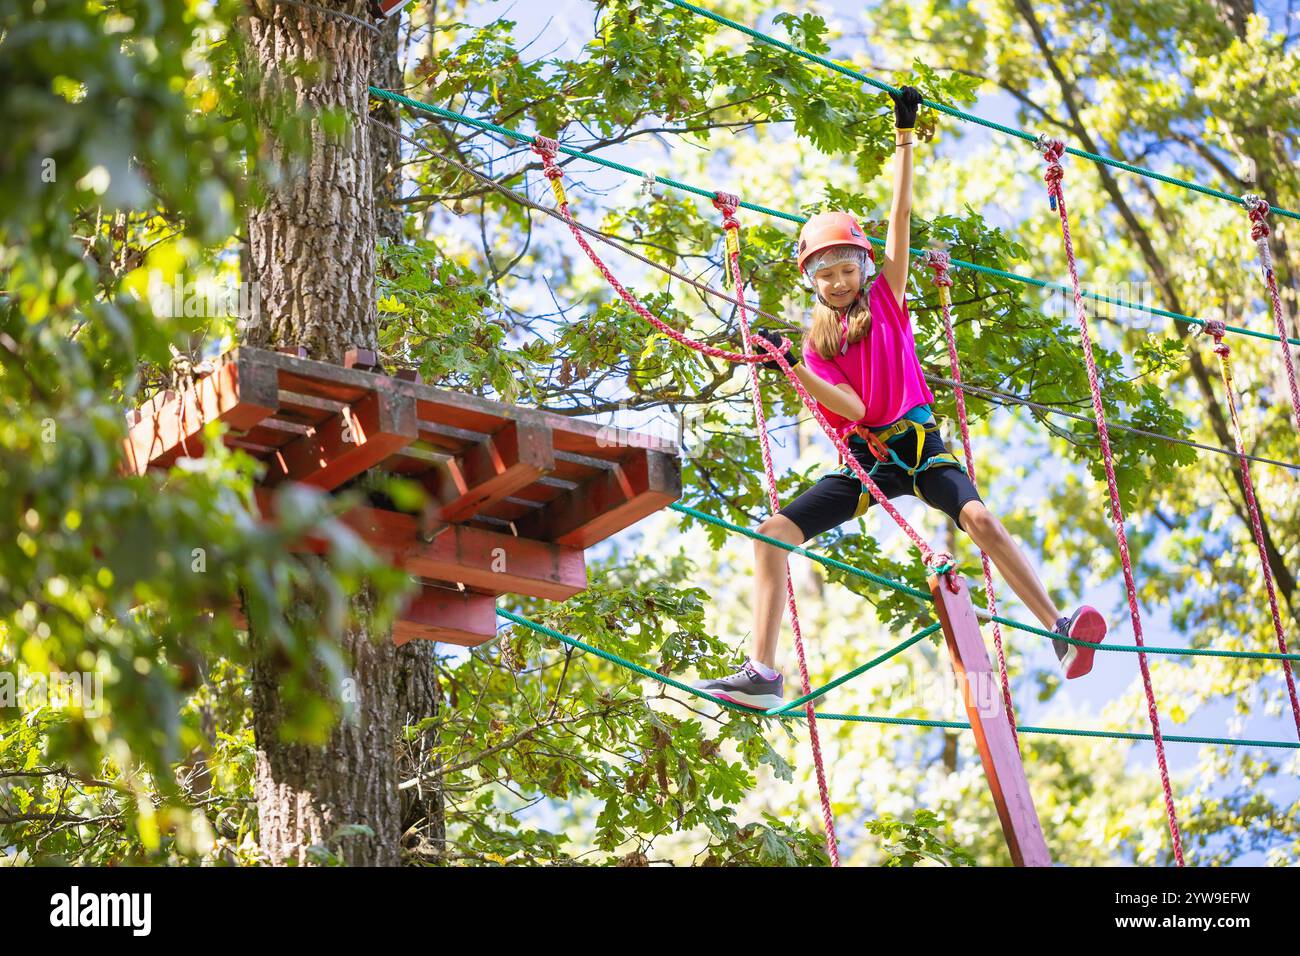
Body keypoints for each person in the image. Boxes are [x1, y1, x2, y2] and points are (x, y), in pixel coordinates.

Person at [694, 86, 1107, 711]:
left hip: (921, 445)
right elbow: (854, 413)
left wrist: (904, 138)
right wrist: (786, 362)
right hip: (872, 463)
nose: (837, 281)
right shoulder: (816, 345)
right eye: (824, 273)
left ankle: (1058, 630)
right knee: (770, 532)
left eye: (845, 267)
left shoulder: (886, 297)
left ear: (863, 266)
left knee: (981, 520)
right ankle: (763, 670)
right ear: (812, 281)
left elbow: (900, 218)